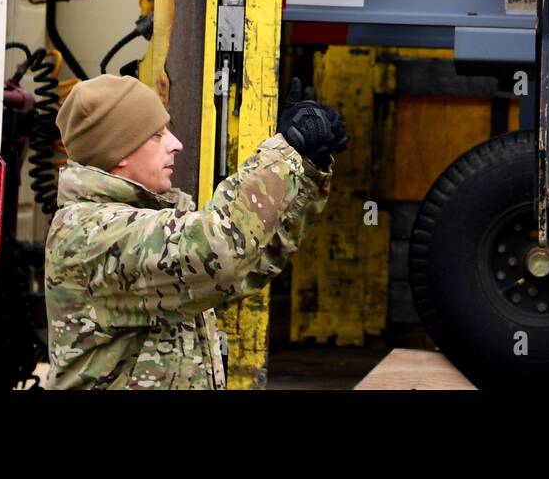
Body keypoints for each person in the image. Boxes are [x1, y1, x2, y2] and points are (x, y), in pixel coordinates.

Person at [44, 74, 348, 389]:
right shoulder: (90, 234)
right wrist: (283, 152)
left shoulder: (136, 222)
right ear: (117, 151)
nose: (176, 144)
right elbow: (219, 252)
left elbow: (247, 263)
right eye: (157, 134)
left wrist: (305, 167)